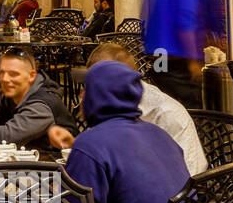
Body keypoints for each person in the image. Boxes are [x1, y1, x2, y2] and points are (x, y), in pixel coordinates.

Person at [63, 60, 190, 203]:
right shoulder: (159, 134)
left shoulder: (90, 145)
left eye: (87, 90)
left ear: (99, 96)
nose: (81, 96)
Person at [48, 43, 208, 176]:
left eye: (97, 82)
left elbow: (189, 177)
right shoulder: (115, 109)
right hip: (130, 196)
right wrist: (76, 145)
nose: (85, 94)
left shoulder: (166, 115)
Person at [140, 0, 223, 108]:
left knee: (163, 97)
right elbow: (185, 20)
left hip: (158, 53)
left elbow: (144, 18)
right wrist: (192, 61)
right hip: (178, 57)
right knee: (191, 103)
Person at [0, 47, 76, 147]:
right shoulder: (13, 94)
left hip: (60, 169)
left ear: (31, 76)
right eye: (2, 72)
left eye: (13, 74)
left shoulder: (41, 105)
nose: (4, 79)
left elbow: (7, 136)